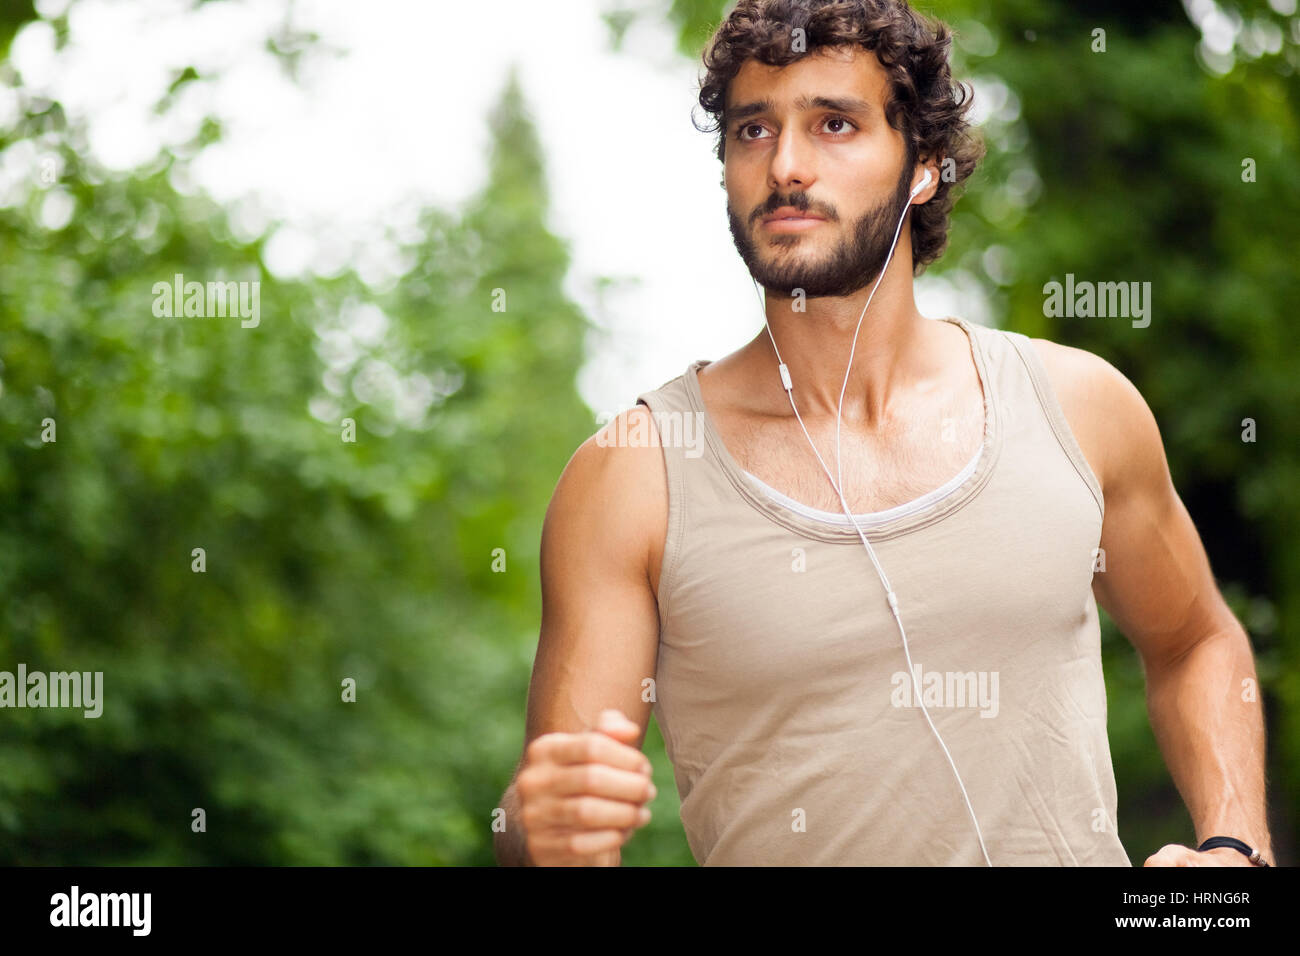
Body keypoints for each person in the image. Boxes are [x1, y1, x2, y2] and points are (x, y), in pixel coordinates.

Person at [493, 0, 1272, 866]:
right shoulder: (632, 475)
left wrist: (1235, 850)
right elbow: (545, 824)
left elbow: (1197, 640)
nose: (786, 165)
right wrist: (541, 827)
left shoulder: (1079, 406)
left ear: (923, 169)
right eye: (754, 130)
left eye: (834, 124)